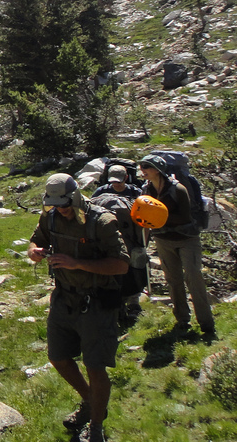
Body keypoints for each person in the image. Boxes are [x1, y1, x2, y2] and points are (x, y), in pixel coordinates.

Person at [28, 173, 130, 442]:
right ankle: (91, 400)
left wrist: (77, 264)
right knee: (58, 357)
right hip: (64, 298)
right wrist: (35, 252)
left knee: (95, 366)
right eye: (55, 204)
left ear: (74, 196)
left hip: (96, 301)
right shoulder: (49, 218)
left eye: (64, 204)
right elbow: (36, 241)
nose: (60, 209)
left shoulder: (102, 222)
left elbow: (121, 265)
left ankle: (96, 426)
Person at [138, 154, 215, 338]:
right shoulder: (146, 190)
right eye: (142, 168)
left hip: (187, 239)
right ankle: (182, 320)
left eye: (146, 168)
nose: (143, 172)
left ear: (157, 170)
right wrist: (143, 244)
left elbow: (185, 217)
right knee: (173, 280)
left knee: (194, 278)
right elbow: (145, 220)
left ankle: (206, 324)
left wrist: (159, 218)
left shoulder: (179, 189)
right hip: (163, 240)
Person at [90, 164, 146, 324]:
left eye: (119, 182)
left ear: (126, 178)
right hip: (109, 238)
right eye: (113, 182)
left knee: (135, 268)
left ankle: (134, 303)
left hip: (132, 237)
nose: (116, 185)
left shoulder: (136, 192)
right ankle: (116, 305)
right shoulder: (101, 192)